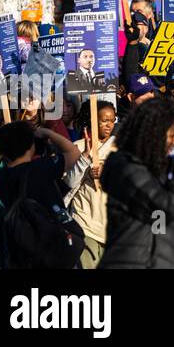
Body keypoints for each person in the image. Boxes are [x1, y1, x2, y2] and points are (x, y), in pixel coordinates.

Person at [99, 98, 174, 268]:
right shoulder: (125, 168)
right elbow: (164, 207)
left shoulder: (159, 169)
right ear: (153, 134)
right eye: (171, 135)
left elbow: (163, 228)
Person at [0, 120, 83, 268]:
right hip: (50, 244)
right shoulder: (40, 168)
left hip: (22, 246)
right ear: (30, 145)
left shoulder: (1, 176)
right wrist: (48, 133)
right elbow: (74, 153)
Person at [66, 101, 117, 269]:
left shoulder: (121, 148)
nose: (109, 125)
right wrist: (86, 168)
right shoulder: (77, 147)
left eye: (112, 120)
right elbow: (69, 183)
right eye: (104, 120)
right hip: (84, 224)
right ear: (93, 121)